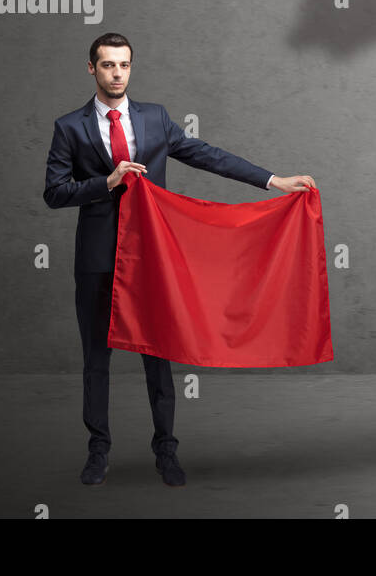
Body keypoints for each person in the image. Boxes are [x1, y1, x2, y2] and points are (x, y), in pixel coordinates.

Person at [43, 32, 316, 487]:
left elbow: (206, 155)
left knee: (159, 354)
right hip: (98, 259)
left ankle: (166, 451)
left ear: (131, 67)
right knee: (96, 359)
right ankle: (98, 451)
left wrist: (272, 181)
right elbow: (53, 193)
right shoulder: (69, 127)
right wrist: (105, 182)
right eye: (107, 65)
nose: (116, 73)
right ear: (91, 68)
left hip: (152, 256)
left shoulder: (155, 119)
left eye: (124, 65)